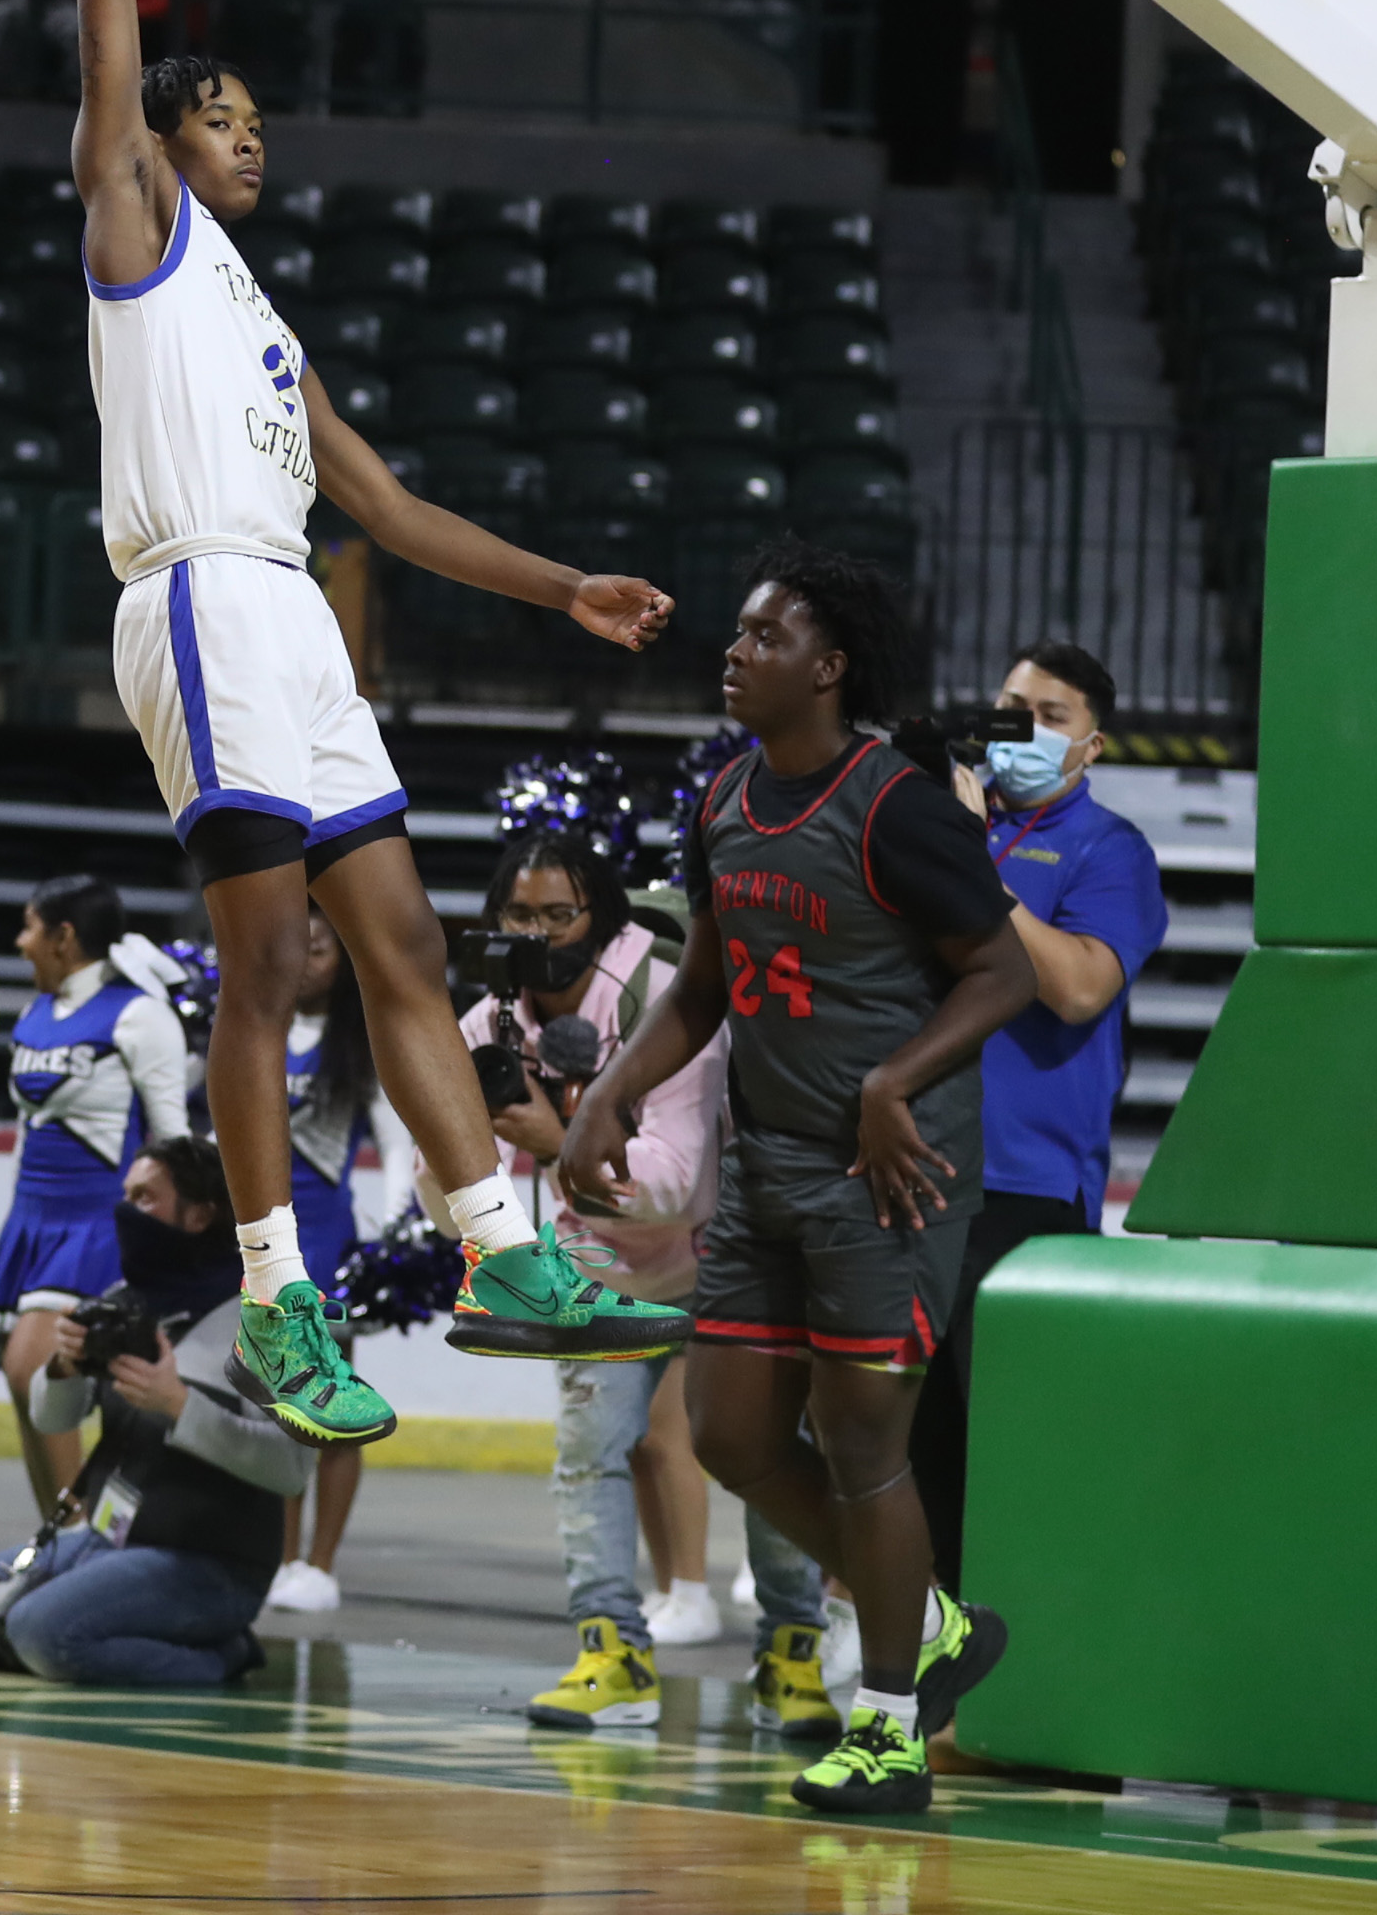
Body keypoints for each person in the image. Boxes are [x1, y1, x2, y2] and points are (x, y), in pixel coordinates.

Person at [24, 0, 682, 1445]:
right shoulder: (128, 220)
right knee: (261, 967)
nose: (250, 140)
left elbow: (384, 516)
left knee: (397, 947)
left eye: (254, 126)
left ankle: (495, 1245)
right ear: (156, 133)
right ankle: (270, 1292)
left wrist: (564, 589)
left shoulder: (255, 318)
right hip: (195, 601)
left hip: (295, 622)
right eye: (223, 118)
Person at [556, 542, 1039, 1817]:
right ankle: (926, 1623)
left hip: (891, 1176)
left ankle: (886, 1723)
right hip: (768, 1168)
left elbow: (1004, 975)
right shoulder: (722, 798)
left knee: (869, 1446)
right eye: (736, 633)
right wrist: (608, 1090)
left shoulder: (900, 806)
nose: (735, 650)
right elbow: (706, 984)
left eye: (765, 637)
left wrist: (891, 1083)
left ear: (829, 668)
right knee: (730, 1432)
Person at [455, 827, 784, 1730]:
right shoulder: (489, 1020)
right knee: (589, 1454)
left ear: (598, 917)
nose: (538, 933)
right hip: (597, 1257)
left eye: (559, 913)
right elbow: (442, 1172)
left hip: (725, 1248)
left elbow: (680, 1182)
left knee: (758, 1454)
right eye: (518, 914)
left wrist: (559, 1145)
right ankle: (611, 1653)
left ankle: (791, 1654)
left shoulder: (663, 998)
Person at [914, 639, 1164, 1594]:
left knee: (1005, 1453)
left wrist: (974, 867)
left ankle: (1011, 1679)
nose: (1023, 729)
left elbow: (1077, 987)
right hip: (917, 1169)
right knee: (907, 1444)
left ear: (1092, 746)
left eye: (1051, 717)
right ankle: (916, 1684)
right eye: (1011, 708)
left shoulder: (1111, 852)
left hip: (1025, 1190)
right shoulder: (945, 831)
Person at [0, 1137, 304, 1687]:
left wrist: (179, 1406)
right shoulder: (126, 1297)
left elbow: (291, 1468)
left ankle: (224, 1656)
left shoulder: (271, 1320)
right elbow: (53, 1420)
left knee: (42, 1633)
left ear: (200, 1214)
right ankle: (60, 1632)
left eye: (145, 1198)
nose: (125, 1212)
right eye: (126, 1195)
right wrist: (64, 1369)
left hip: (211, 1561)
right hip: (106, 1541)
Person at [0, 873, 194, 1514]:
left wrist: (172, 1240)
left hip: (100, 1222)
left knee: (32, 1368)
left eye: (29, 928)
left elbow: (173, 1139)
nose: (20, 943)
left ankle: (77, 1536)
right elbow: (26, 1128)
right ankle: (58, 1534)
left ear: (64, 937)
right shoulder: (34, 1012)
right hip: (33, 1221)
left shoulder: (139, 1014)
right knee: (28, 1391)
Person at [262, 905, 374, 1614]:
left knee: (332, 1406)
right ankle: (277, 1559)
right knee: (274, 1409)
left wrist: (397, 1237)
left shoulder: (361, 1044)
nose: (305, 963)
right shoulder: (252, 1029)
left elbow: (397, 1144)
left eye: (320, 951)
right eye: (293, 949)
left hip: (327, 1244)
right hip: (262, 1243)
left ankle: (320, 1563)